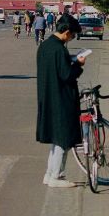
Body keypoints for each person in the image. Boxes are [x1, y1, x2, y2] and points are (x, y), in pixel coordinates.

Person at [36, 13, 85, 188]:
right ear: (66, 32)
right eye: (72, 35)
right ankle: (57, 176)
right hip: (61, 99)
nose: (71, 38)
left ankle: (50, 174)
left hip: (47, 97)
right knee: (63, 140)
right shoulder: (59, 49)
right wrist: (78, 65)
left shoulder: (45, 46)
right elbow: (66, 75)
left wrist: (70, 60)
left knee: (56, 139)